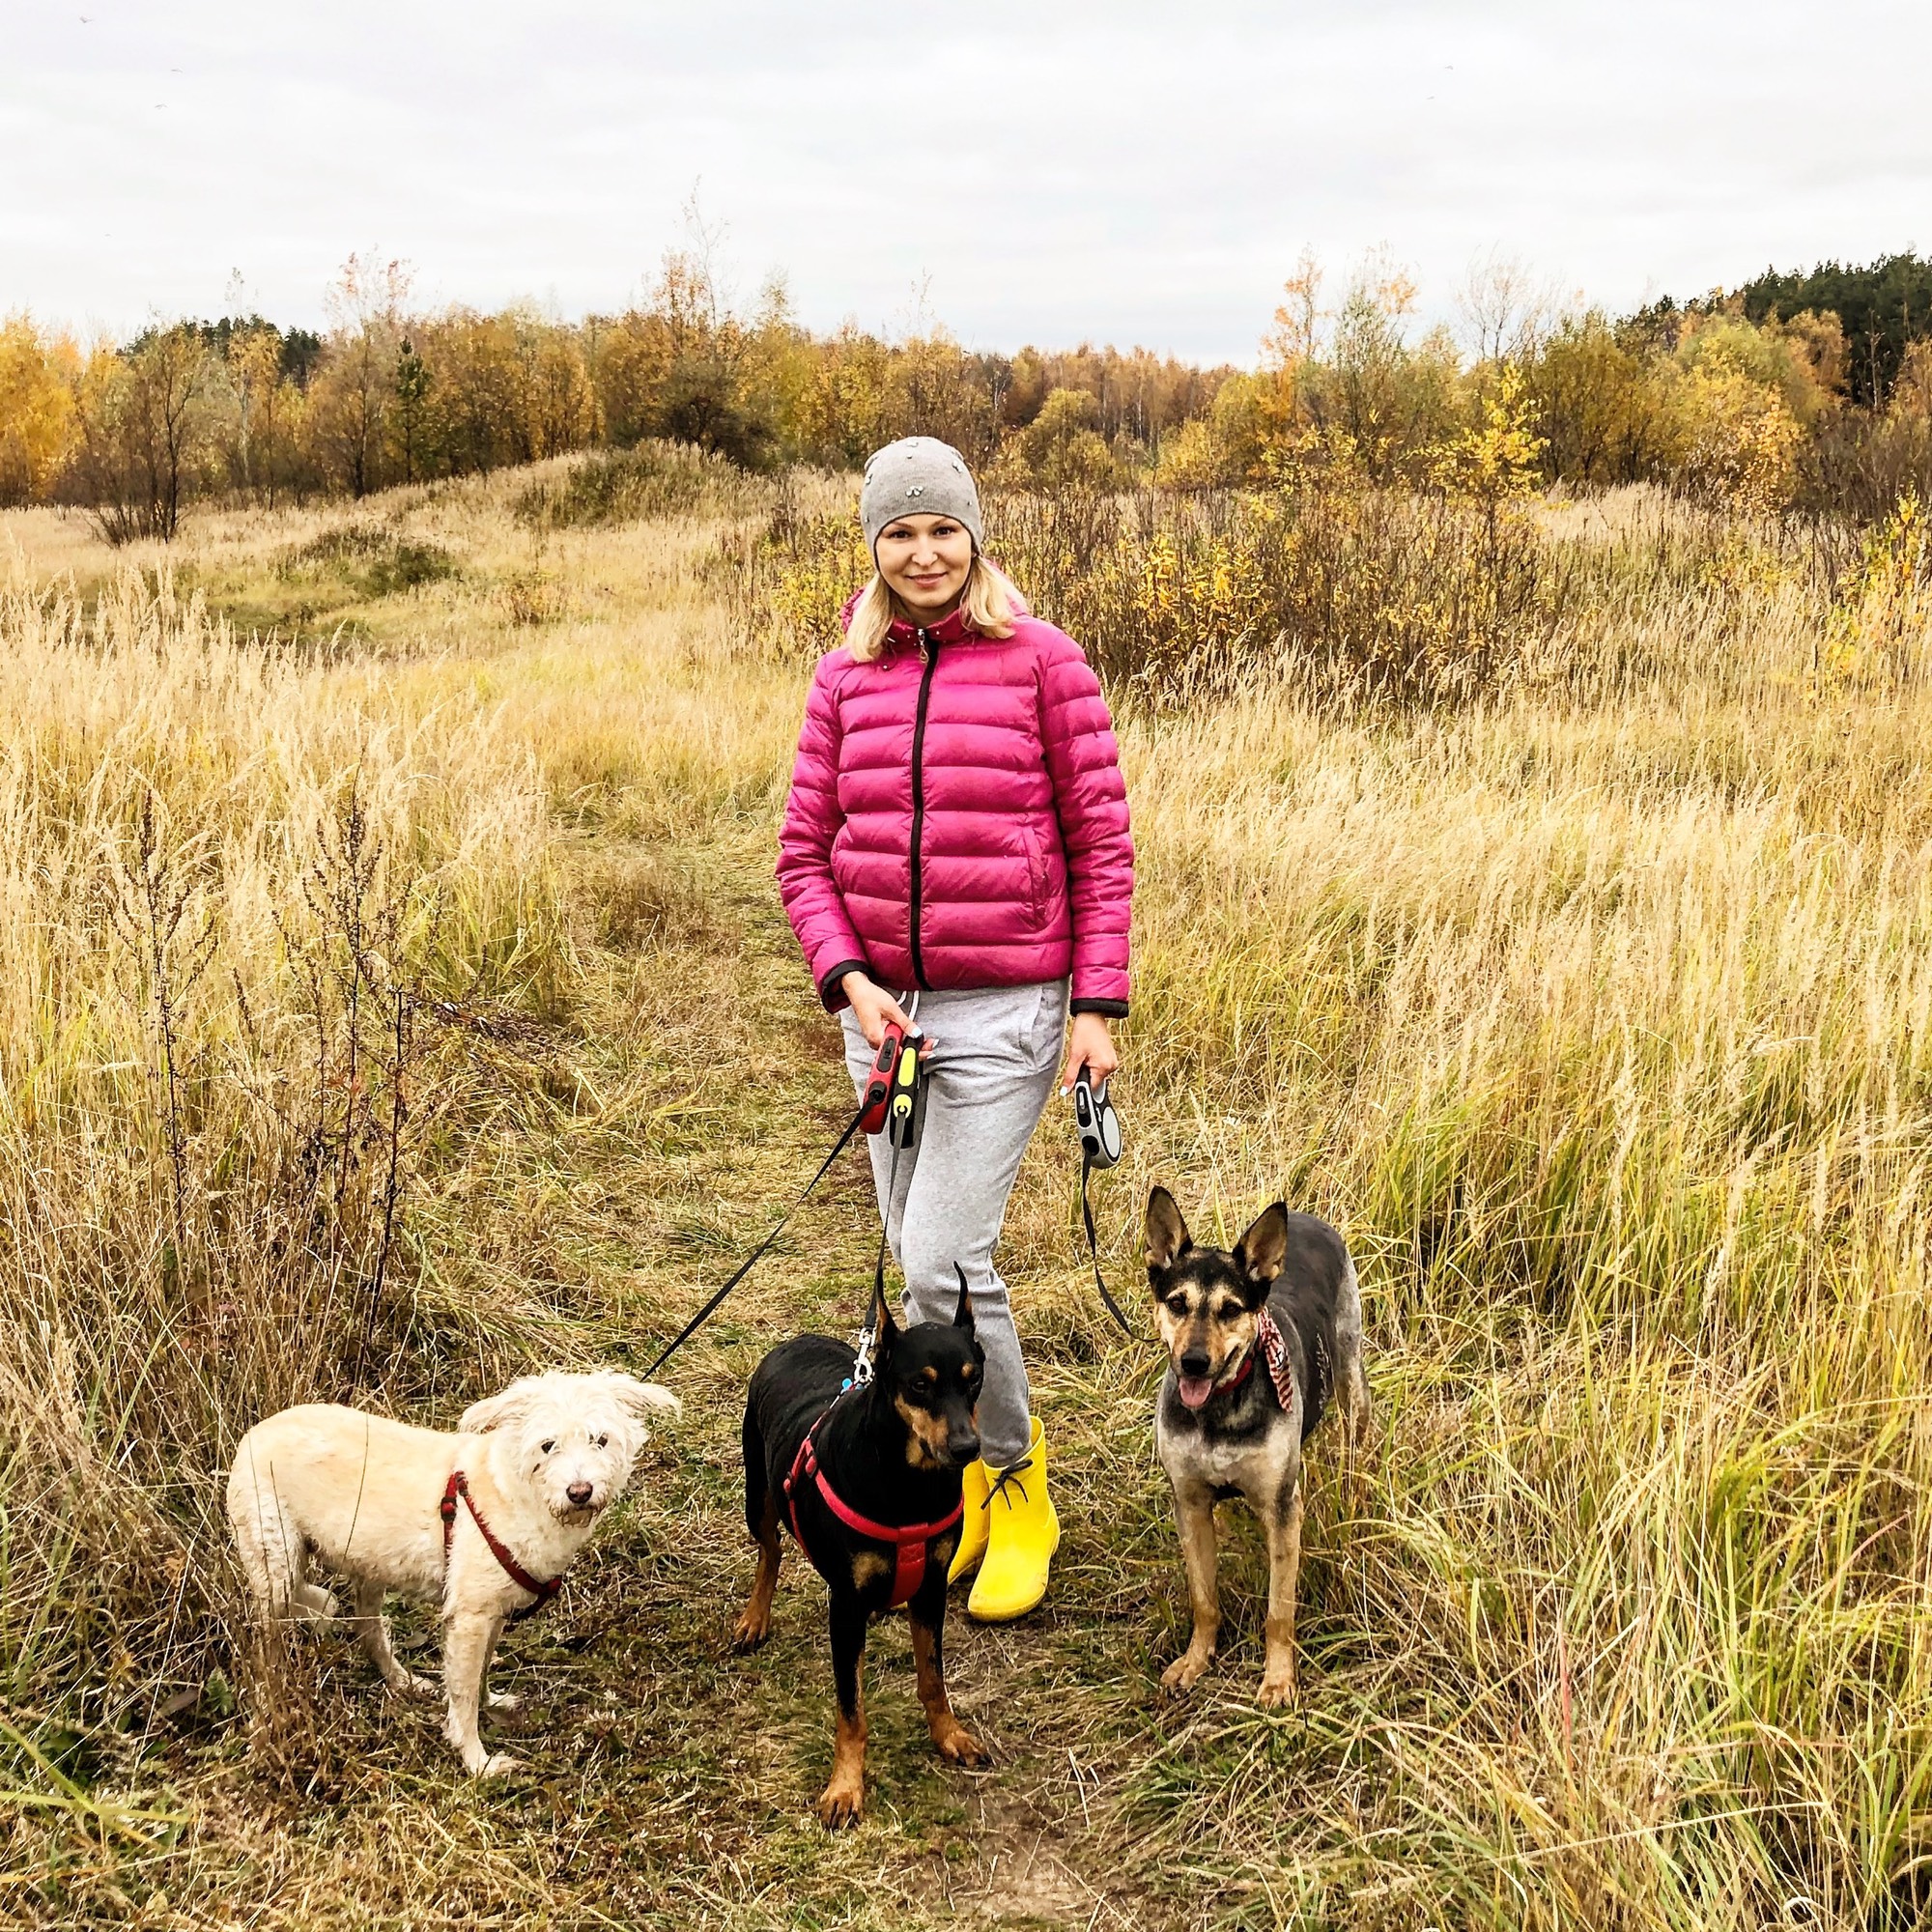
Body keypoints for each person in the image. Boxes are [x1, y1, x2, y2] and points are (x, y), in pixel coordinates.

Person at [776, 436, 1134, 1621]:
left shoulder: (1044, 663)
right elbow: (800, 856)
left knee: (939, 1257)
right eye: (899, 530)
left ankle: (1013, 1480)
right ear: (871, 543)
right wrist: (846, 980)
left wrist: (1092, 1002)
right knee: (932, 1270)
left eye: (942, 529)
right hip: (885, 1022)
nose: (922, 551)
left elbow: (1100, 845)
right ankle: (964, 1490)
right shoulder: (843, 678)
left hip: (1006, 1011)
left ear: (973, 536)